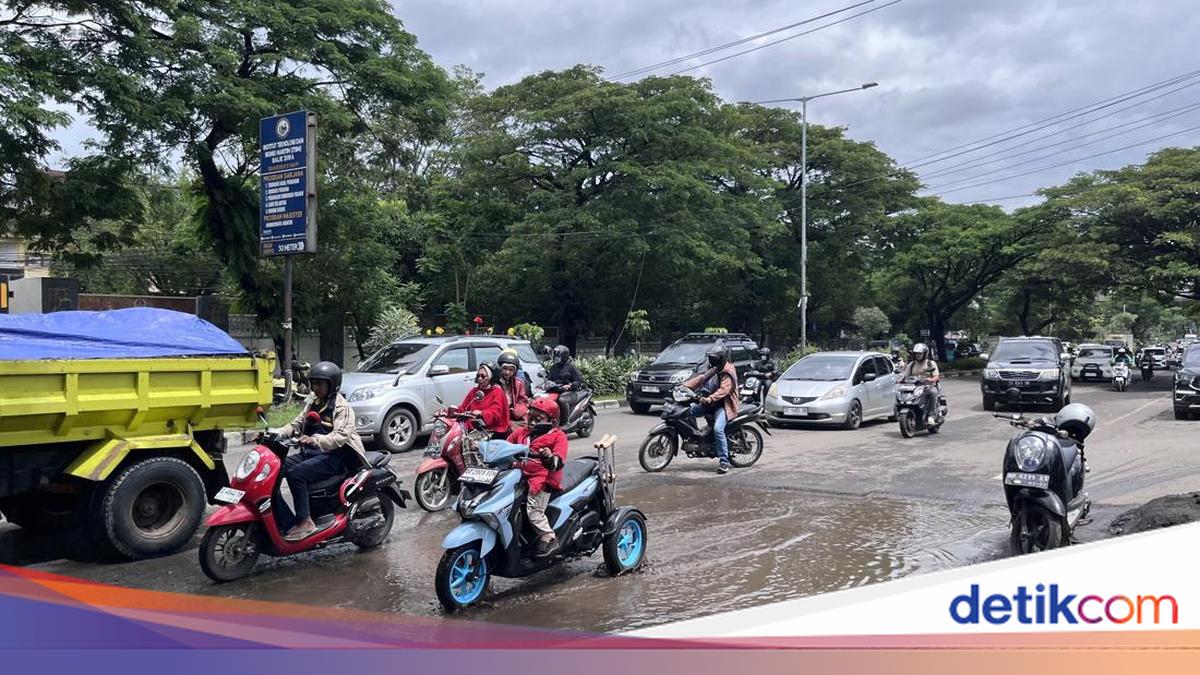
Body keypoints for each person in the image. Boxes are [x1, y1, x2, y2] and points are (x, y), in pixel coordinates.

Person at [278, 361, 368, 541]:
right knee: (277, 467)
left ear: (332, 385)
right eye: (314, 383)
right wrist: (275, 433)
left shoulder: (342, 407)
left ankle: (305, 521)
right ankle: (281, 517)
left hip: (337, 456)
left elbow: (340, 436)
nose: (315, 387)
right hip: (313, 453)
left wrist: (315, 440)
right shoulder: (314, 402)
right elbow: (296, 423)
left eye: (320, 384)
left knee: (296, 475)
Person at [507, 396, 569, 557]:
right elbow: (506, 446)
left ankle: (548, 536)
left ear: (552, 422)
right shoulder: (522, 432)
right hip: (519, 474)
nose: (532, 422)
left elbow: (559, 457)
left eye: (538, 419)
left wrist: (550, 457)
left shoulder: (558, 435)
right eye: (530, 417)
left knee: (534, 511)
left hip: (542, 478)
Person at [683, 345, 739, 475]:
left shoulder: (727, 371)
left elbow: (724, 391)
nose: (712, 360)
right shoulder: (716, 368)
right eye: (711, 358)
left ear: (722, 358)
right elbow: (702, 378)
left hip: (723, 405)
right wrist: (684, 385)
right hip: (710, 403)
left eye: (714, 358)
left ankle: (724, 461)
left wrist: (709, 399)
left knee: (718, 430)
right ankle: (696, 435)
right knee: (686, 411)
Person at [457, 362, 510, 438]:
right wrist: (449, 411)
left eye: (483, 376)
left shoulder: (497, 392)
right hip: (473, 428)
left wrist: (481, 413)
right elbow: (463, 408)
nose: (479, 378)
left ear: (491, 377)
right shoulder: (474, 391)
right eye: (478, 376)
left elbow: (496, 413)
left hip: (491, 431)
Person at [898, 343, 941, 426]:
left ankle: (931, 416)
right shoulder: (912, 364)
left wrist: (931, 379)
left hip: (928, 386)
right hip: (915, 387)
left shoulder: (930, 363)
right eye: (916, 354)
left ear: (925, 354)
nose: (918, 355)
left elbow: (936, 376)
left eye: (920, 354)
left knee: (933, 393)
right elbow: (905, 375)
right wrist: (899, 380)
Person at [546, 344, 583, 423]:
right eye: (555, 356)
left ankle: (565, 421)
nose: (556, 358)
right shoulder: (553, 368)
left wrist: (570, 385)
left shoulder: (570, 367)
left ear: (564, 356)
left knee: (562, 400)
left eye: (558, 356)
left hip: (570, 392)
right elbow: (549, 378)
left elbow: (578, 380)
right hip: (556, 391)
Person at [497, 349, 529, 429]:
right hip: (499, 417)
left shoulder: (519, 383)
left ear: (515, 371)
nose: (507, 372)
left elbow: (523, 401)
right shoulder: (494, 383)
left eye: (511, 369)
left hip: (514, 417)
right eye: (505, 368)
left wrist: (515, 412)